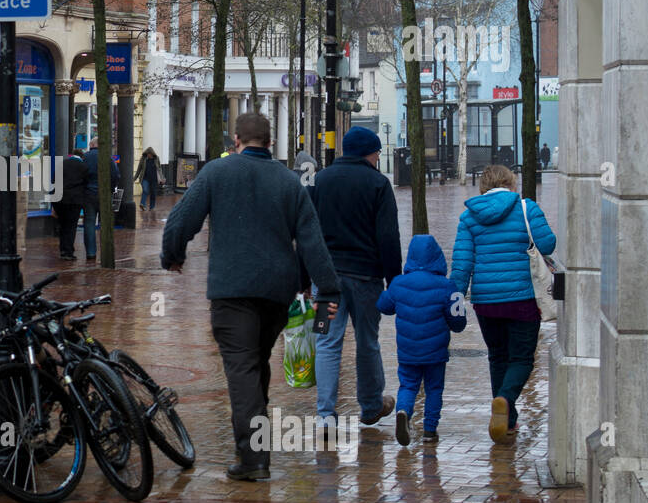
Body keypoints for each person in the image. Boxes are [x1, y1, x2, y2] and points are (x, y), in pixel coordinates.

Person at [161, 112, 339, 481]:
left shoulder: (215, 172)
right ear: (270, 142)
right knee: (255, 364)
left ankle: (253, 459)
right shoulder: (289, 181)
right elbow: (311, 239)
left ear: (237, 141)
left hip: (232, 290)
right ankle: (255, 444)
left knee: (242, 371)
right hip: (276, 292)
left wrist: (172, 256)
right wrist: (324, 287)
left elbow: (181, 221)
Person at [450, 164, 556, 443]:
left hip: (486, 301)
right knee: (521, 358)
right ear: (511, 183)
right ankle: (505, 400)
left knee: (497, 356)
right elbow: (548, 245)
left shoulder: (469, 217)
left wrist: (457, 298)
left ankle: (508, 420)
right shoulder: (526, 208)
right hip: (523, 299)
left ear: (483, 186)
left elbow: (462, 264)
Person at [307, 125, 402, 431]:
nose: (378, 158)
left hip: (325, 281)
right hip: (366, 279)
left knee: (326, 342)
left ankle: (325, 416)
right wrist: (394, 280)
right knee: (368, 342)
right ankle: (371, 405)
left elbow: (305, 233)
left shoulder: (318, 181)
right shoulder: (378, 184)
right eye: (377, 152)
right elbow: (388, 237)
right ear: (368, 153)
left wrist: (302, 278)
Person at [376, 234, 468, 446]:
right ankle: (430, 431)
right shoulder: (448, 286)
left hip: (408, 350)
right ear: (437, 257)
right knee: (434, 388)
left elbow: (383, 305)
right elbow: (459, 322)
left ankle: (403, 412)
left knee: (408, 385)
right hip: (436, 352)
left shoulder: (399, 283)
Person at [81, 137, 119, 262]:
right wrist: (110, 189)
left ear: (91, 144)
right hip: (104, 194)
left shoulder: (85, 158)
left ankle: (91, 253)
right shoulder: (107, 158)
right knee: (105, 224)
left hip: (88, 194)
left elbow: (81, 176)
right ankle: (106, 251)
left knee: (89, 223)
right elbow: (115, 175)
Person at [54, 147, 87, 260]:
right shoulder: (83, 166)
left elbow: (53, 179)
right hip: (74, 200)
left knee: (63, 225)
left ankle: (63, 250)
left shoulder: (62, 163)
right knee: (71, 226)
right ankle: (68, 251)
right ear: (82, 157)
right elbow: (86, 183)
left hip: (59, 199)